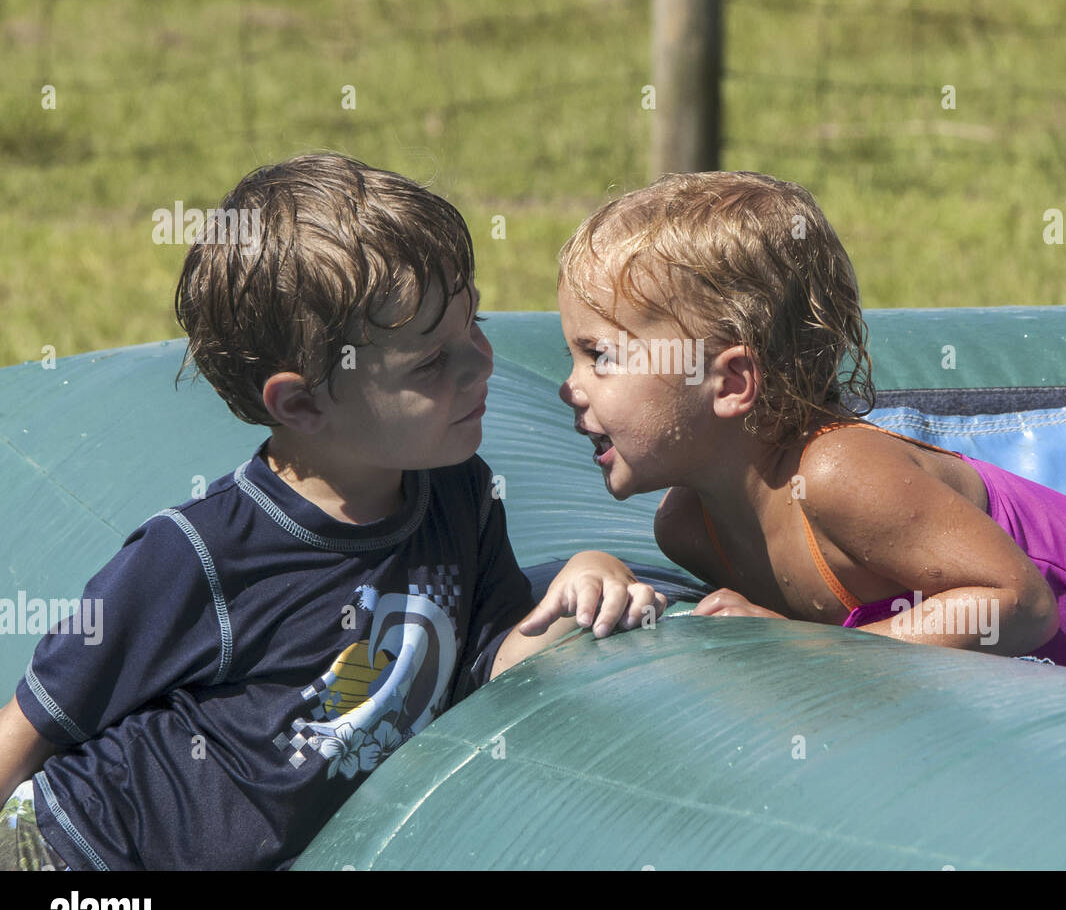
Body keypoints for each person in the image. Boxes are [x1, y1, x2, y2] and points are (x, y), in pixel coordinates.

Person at [0, 153, 663, 871]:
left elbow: (492, 662)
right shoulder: (206, 552)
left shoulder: (459, 495)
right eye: (430, 363)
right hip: (76, 847)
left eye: (474, 324)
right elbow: (34, 722)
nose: (481, 364)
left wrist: (587, 577)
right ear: (304, 403)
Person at [556, 169, 1066, 703]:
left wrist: (815, 652)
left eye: (601, 356)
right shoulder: (690, 527)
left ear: (730, 382)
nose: (570, 384)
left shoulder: (839, 469)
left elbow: (1018, 602)